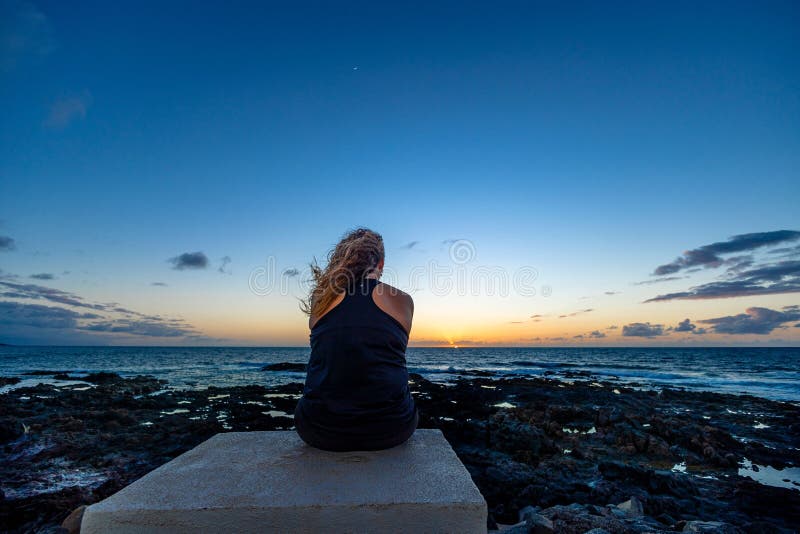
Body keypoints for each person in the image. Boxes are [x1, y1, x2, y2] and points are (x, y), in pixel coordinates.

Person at [293, 228, 419, 451]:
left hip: (318, 429)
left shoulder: (321, 298)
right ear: (380, 264)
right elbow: (387, 356)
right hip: (391, 428)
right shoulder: (402, 300)